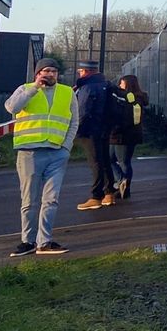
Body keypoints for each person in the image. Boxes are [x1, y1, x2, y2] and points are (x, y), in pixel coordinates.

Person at [6, 58, 79, 256]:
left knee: (51, 199)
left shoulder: (67, 92)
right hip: (29, 153)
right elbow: (12, 108)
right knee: (29, 200)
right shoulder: (25, 88)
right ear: (37, 74)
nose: (50, 74)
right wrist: (34, 89)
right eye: (45, 71)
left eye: (54, 71)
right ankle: (27, 241)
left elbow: (74, 121)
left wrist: (66, 147)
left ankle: (44, 242)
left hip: (57, 153)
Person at [74, 60, 115, 210]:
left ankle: (96, 196)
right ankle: (109, 193)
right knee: (104, 159)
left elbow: (83, 111)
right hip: (104, 128)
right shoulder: (106, 85)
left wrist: (76, 129)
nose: (79, 74)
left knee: (95, 161)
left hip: (90, 129)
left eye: (80, 71)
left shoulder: (88, 87)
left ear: (86, 72)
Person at [109, 74, 149, 199]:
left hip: (122, 135)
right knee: (115, 159)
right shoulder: (137, 98)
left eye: (122, 83)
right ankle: (122, 183)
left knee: (121, 161)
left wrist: (115, 129)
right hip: (127, 135)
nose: (120, 85)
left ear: (128, 84)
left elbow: (125, 117)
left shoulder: (130, 98)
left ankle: (123, 182)